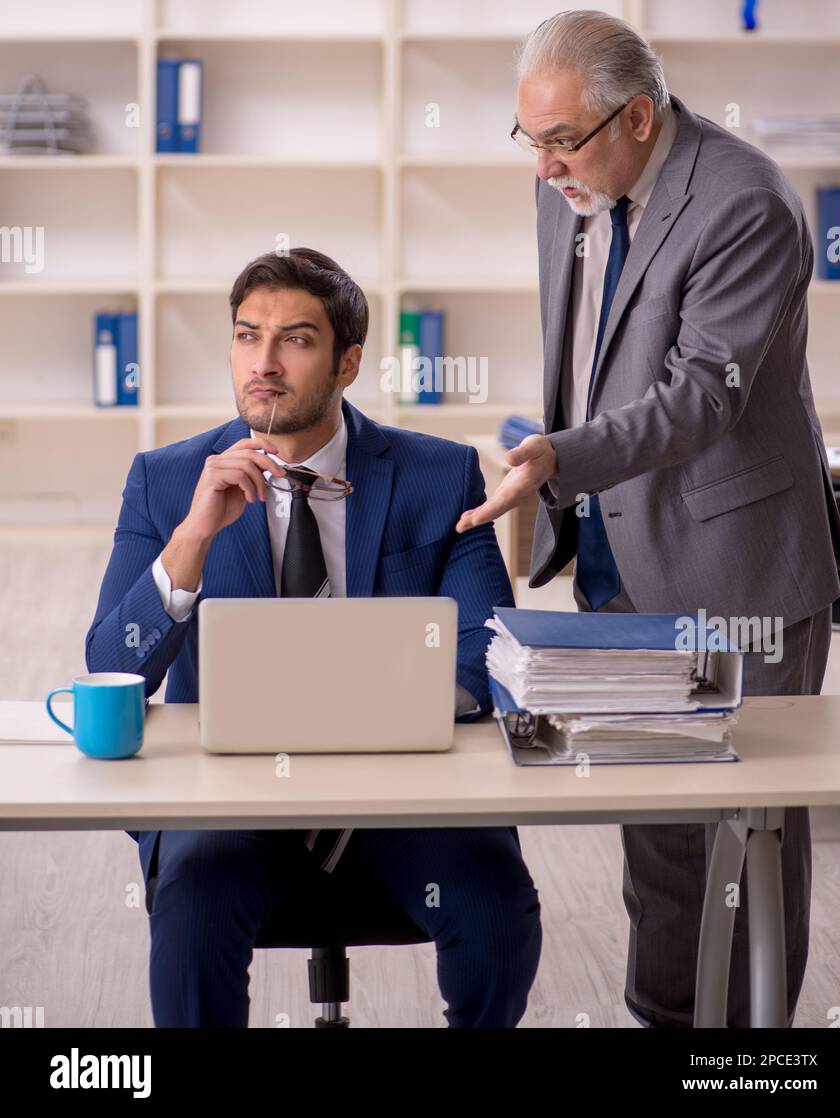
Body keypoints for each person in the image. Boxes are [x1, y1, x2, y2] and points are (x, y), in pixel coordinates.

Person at [455, 9, 840, 1028]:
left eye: (561, 140)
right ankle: (665, 1024)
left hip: (735, 563)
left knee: (744, 828)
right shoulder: (571, 183)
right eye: (529, 137)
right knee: (658, 825)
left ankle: (742, 1045)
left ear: (638, 117)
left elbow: (700, 397)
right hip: (615, 545)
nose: (543, 166)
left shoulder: (746, 205)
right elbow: (584, 344)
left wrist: (561, 457)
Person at [86, 247, 542, 1028]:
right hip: (232, 804)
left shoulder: (441, 475)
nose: (262, 362)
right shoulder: (166, 480)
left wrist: (356, 705)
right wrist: (192, 539)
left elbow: (485, 649)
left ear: (347, 362)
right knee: (193, 911)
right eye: (245, 335)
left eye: (294, 339)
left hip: (405, 799)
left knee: (496, 904)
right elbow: (111, 665)